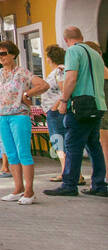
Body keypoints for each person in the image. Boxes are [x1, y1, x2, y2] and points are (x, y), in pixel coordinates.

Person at [45, 26, 107, 198]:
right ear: (81, 35)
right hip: (97, 103)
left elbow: (71, 78)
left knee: (72, 144)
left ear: (66, 41)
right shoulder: (94, 53)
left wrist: (64, 100)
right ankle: (99, 184)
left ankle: (69, 184)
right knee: (94, 145)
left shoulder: (73, 51)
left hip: (81, 105)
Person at [0, 40, 47, 204]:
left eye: (3, 53)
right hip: (2, 116)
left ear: (13, 54)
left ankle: (29, 191)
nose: (0, 57)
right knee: (11, 153)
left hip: (19, 115)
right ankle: (17, 188)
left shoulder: (22, 73)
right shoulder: (0, 73)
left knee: (23, 152)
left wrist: (26, 95)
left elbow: (43, 85)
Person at [43, 45, 72, 184]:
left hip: (56, 112)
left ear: (50, 58)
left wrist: (55, 106)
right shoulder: (60, 70)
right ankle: (69, 172)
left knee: (58, 141)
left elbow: (63, 89)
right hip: (55, 110)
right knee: (61, 141)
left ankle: (67, 172)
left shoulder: (59, 70)